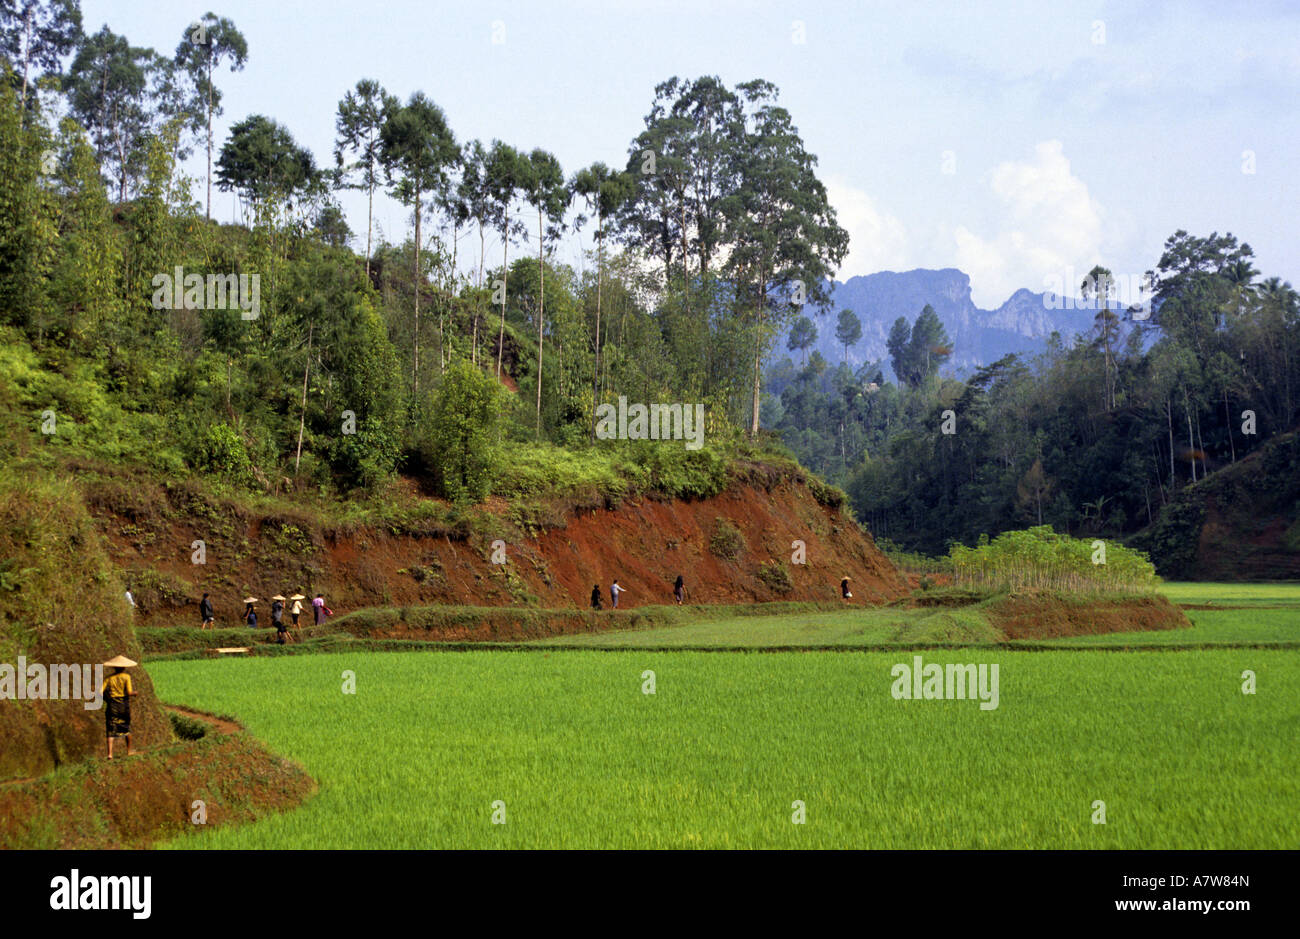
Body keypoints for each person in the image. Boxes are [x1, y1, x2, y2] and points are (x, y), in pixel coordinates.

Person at [101, 655, 138, 759]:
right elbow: (129, 692)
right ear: (124, 667)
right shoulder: (126, 677)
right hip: (123, 706)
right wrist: (135, 693)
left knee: (110, 729)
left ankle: (110, 754)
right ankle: (129, 750)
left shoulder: (108, 678)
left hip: (112, 705)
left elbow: (99, 692)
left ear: (114, 667)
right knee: (126, 727)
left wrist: (107, 698)